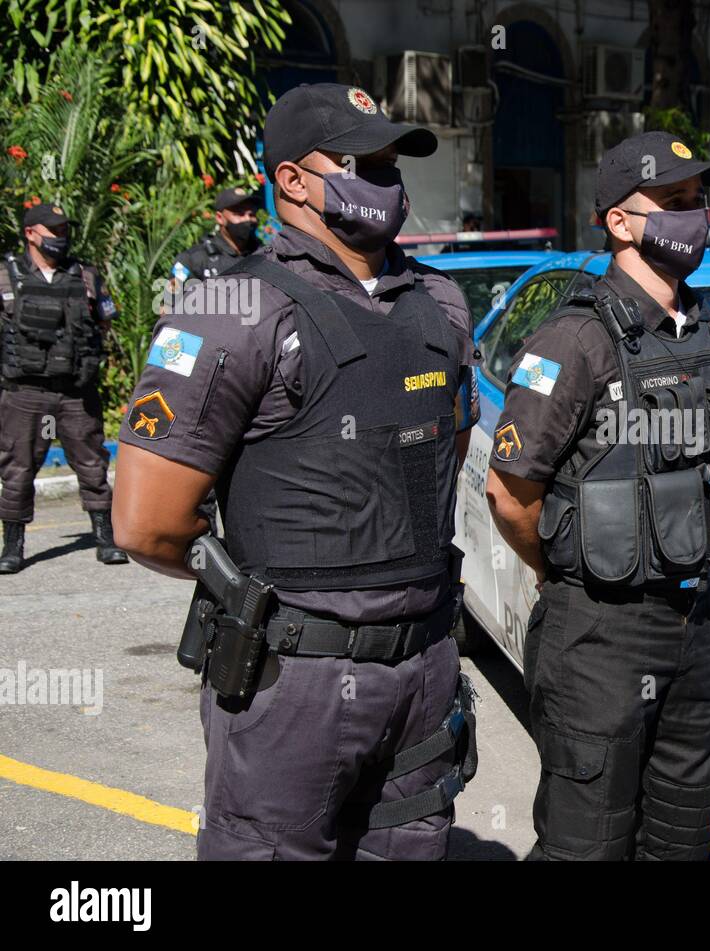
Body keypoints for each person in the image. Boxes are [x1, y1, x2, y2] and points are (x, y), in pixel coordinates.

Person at [112, 83, 481, 860]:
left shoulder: (441, 304)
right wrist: (263, 600)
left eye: (391, 161)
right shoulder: (233, 309)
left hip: (423, 669)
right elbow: (145, 522)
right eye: (361, 160)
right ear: (291, 181)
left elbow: (440, 458)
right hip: (294, 681)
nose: (385, 178)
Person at [486, 131, 710, 860]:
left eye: (697, 201)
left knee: (681, 841)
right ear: (617, 220)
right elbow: (510, 491)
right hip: (600, 633)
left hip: (697, 621)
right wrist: (555, 570)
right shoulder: (574, 338)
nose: (692, 218)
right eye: (671, 202)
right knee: (589, 846)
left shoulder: (702, 330)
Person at [0, 203, 126, 572]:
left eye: (64, 230)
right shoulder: (6, 276)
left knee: (91, 463)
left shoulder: (86, 275)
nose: (61, 237)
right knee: (17, 468)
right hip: (24, 392)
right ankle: (13, 545)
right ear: (31, 234)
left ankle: (106, 537)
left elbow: (104, 321)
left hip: (75, 391)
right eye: (53, 230)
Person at [171, 186, 262, 285]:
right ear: (219, 218)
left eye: (252, 214)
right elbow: (170, 298)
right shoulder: (190, 259)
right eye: (239, 214)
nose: (247, 219)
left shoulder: (263, 255)